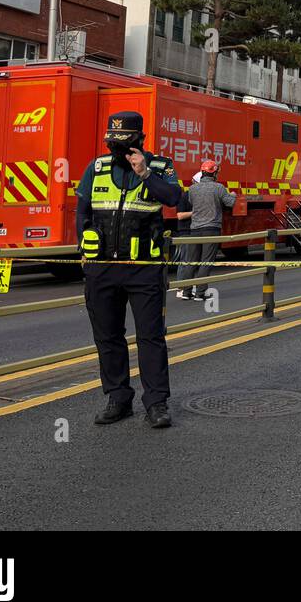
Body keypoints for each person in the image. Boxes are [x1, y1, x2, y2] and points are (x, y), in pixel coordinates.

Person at [76, 111, 182, 429]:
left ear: (140, 140)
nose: (117, 150)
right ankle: (118, 398)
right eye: (113, 143)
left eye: (124, 143)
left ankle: (156, 403)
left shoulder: (161, 166)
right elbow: (82, 211)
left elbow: (174, 198)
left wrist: (146, 173)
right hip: (102, 268)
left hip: (144, 269)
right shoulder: (96, 169)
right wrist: (83, 247)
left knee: (150, 337)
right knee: (107, 336)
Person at [175, 158, 236, 300]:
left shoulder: (192, 189)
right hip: (211, 229)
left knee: (192, 261)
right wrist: (233, 195)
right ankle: (200, 293)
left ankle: (186, 291)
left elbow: (192, 202)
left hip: (194, 229)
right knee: (205, 261)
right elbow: (229, 203)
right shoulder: (219, 188)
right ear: (214, 173)